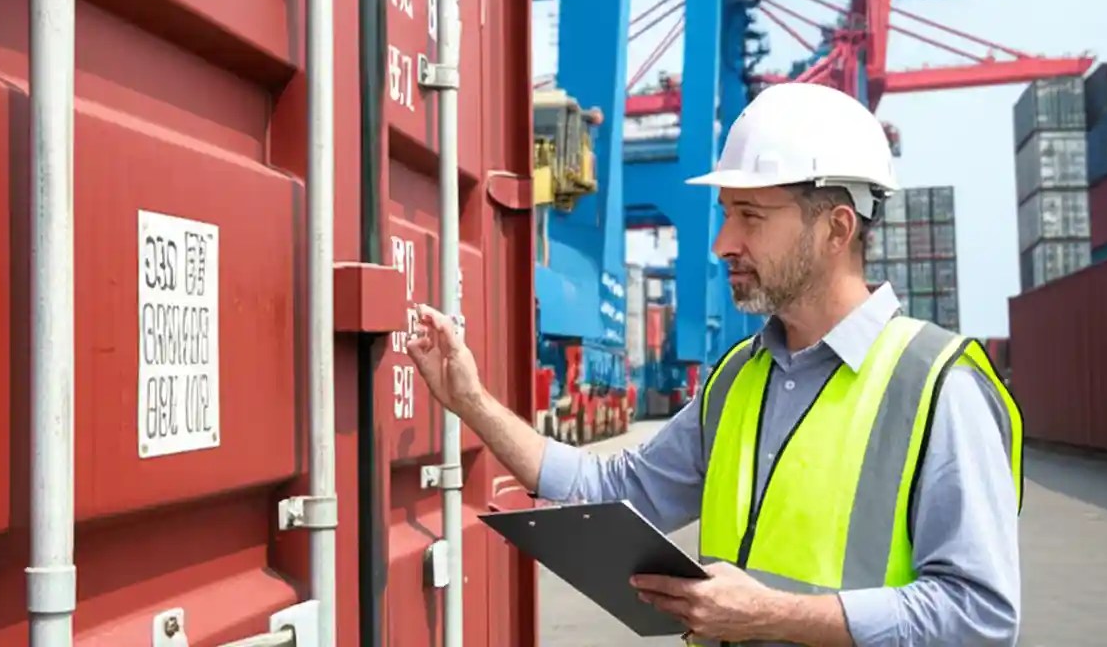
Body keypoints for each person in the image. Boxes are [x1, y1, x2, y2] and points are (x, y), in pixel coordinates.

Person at [407, 82, 1023, 647]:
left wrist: (772, 614)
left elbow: (979, 616)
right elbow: (614, 492)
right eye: (728, 213)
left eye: (750, 216)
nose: (723, 243)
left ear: (836, 230)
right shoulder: (737, 380)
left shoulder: (939, 388)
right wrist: (472, 403)